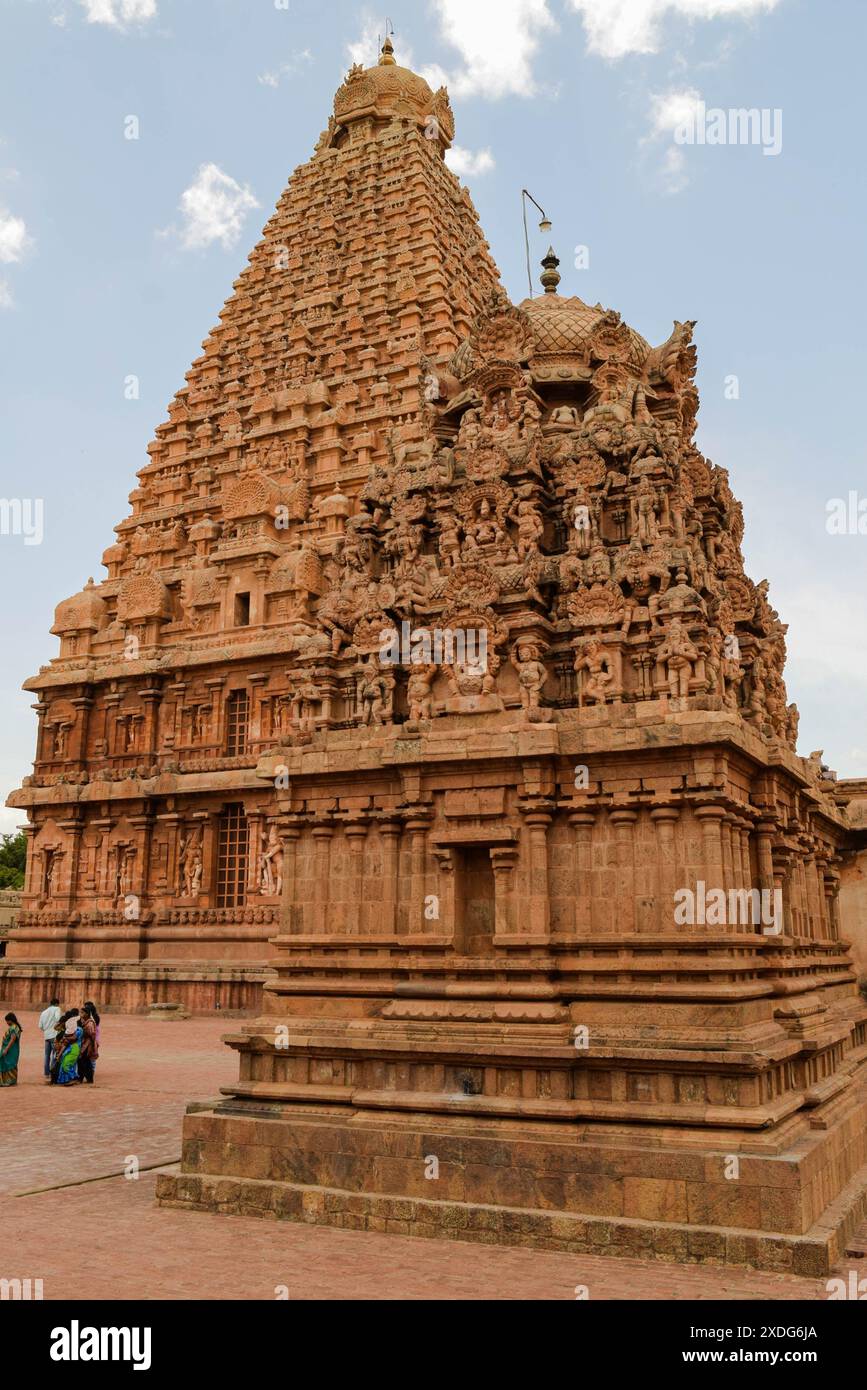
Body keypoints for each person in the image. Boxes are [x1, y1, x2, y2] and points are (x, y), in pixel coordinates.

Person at [52, 1012, 82, 1086]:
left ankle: (72, 1079)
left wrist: (59, 1054)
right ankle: (69, 1080)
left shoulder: (75, 1030)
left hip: (73, 1049)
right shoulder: (70, 1030)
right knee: (66, 1064)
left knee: (66, 1065)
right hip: (71, 1049)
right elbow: (55, 1027)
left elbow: (67, 1042)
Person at [38, 997, 62, 1081]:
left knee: (47, 1055)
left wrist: (47, 1029)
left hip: (46, 1036)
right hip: (54, 1035)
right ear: (56, 1004)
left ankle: (46, 1073)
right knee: (55, 1055)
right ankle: (53, 1072)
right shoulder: (57, 1009)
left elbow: (40, 1026)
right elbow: (58, 1019)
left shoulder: (43, 1012)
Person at [0, 1013, 23, 1087]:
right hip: (13, 1049)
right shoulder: (16, 1027)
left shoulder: (13, 1028)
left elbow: (13, 1039)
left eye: (7, 1021)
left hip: (11, 1050)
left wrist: (6, 1049)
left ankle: (7, 1081)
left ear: (11, 1020)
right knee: (9, 1063)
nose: (7, 1023)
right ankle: (11, 1081)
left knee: (8, 1064)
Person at [78, 1004, 99, 1085]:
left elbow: (91, 1035)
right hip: (85, 1043)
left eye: (82, 1013)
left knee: (84, 1061)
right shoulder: (85, 1021)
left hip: (87, 1044)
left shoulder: (89, 1023)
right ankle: (84, 1078)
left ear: (87, 1014)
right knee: (84, 1061)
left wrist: (83, 1032)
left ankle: (87, 1078)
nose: (81, 1014)